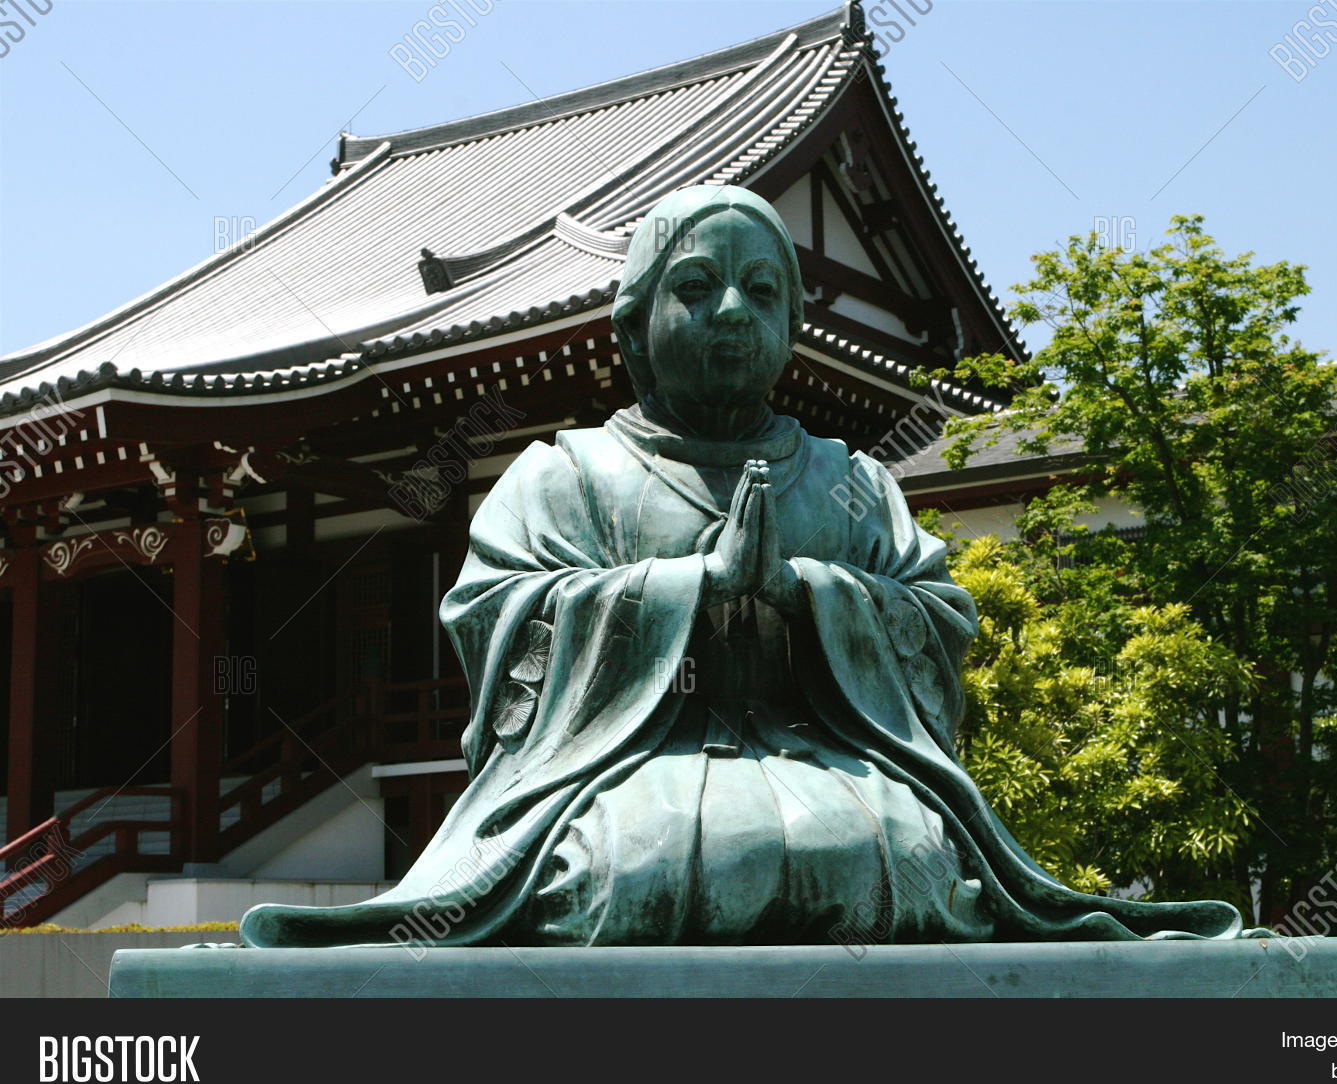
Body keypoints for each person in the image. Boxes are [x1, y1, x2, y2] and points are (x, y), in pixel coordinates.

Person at [240, 185, 1256, 948]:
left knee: (906, 860)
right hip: (620, 778)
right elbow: (497, 623)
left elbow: (939, 618)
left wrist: (807, 592)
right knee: (620, 873)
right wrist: (689, 591)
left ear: (788, 326)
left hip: (840, 768)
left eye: (760, 289)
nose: (732, 307)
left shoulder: (850, 483)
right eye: (695, 285)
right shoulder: (565, 477)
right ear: (634, 328)